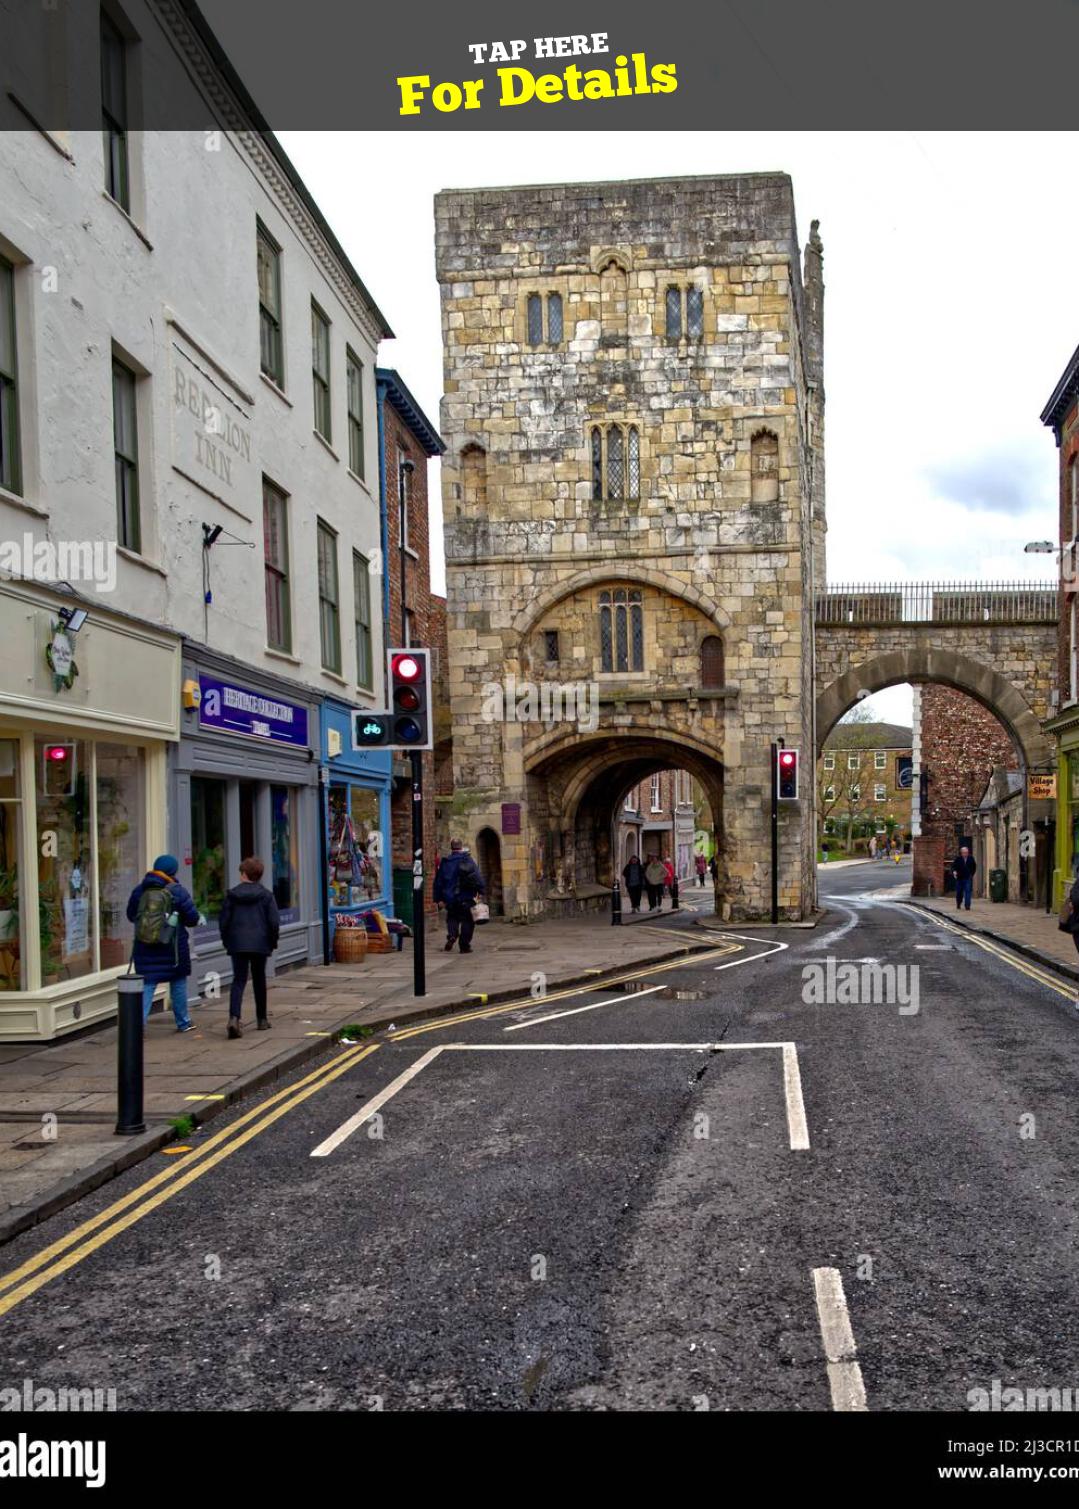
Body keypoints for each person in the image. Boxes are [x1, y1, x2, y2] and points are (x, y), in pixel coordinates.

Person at [126, 855, 201, 1032]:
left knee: (147, 984)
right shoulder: (177, 891)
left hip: (144, 946)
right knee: (178, 982)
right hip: (173, 947)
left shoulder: (139, 891)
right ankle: (183, 1022)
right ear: (173, 871)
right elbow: (192, 919)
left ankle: (138, 1027)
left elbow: (131, 915)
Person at [219, 856, 280, 1039]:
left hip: (237, 943)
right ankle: (261, 1020)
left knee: (238, 980)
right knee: (259, 979)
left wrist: (227, 940)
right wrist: (272, 942)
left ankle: (234, 1018)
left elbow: (223, 922)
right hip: (260, 942)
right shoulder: (266, 895)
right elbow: (274, 922)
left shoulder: (232, 895)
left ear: (244, 874)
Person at [433, 837, 486, 954]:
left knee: (452, 918)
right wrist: (481, 891)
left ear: (451, 848)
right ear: (461, 847)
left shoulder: (445, 862)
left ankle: (452, 935)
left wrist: (438, 898)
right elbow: (477, 877)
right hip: (467, 897)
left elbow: (438, 881)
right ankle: (464, 946)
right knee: (468, 921)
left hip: (450, 898)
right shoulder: (468, 860)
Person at [952, 845, 977, 910]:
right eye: (964, 852)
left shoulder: (971, 858)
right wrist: (954, 871)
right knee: (959, 892)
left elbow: (974, 867)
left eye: (967, 852)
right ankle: (958, 903)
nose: (966, 854)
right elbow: (953, 866)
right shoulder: (958, 859)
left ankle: (967, 906)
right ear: (961, 853)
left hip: (967, 878)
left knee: (968, 891)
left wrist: (971, 874)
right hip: (959, 878)